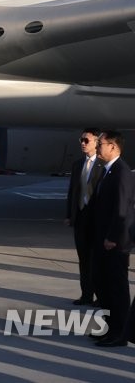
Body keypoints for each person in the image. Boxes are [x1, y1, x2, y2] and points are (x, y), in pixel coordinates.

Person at [89, 130, 134, 347]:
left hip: (115, 242)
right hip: (104, 240)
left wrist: (112, 237)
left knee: (116, 288)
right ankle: (110, 327)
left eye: (100, 144)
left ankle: (120, 333)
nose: (97, 148)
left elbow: (122, 209)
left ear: (113, 147)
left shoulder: (122, 172)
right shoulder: (107, 171)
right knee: (101, 283)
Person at [65, 128, 103, 306]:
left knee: (97, 261)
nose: (82, 143)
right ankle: (86, 295)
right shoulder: (77, 164)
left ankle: (100, 296)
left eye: (86, 140)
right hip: (80, 218)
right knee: (84, 260)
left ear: (97, 142)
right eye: (81, 140)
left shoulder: (103, 166)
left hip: (96, 220)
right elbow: (72, 192)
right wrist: (68, 215)